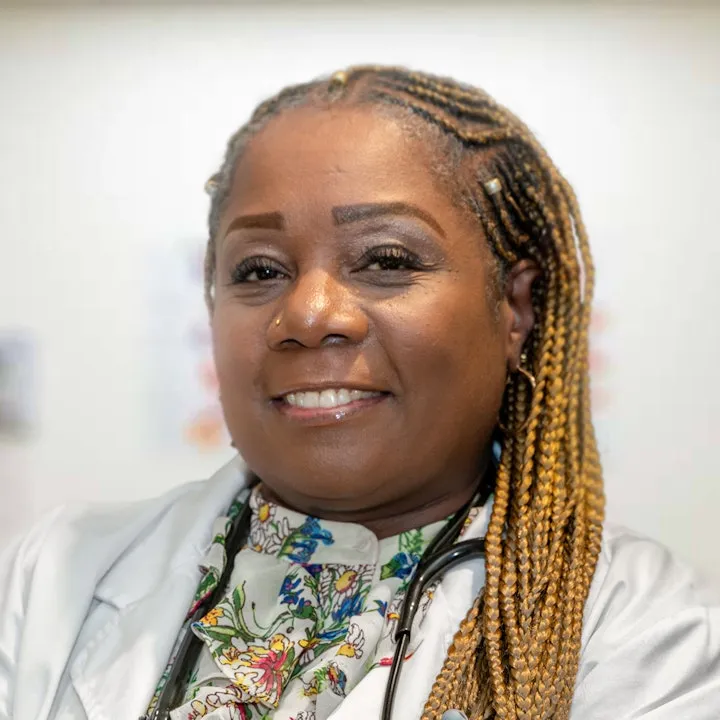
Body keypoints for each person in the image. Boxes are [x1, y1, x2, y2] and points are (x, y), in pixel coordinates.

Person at [1, 65, 718, 720]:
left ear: (516, 309)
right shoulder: (50, 576)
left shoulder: (643, 626)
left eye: (386, 259)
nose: (309, 316)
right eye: (259, 270)